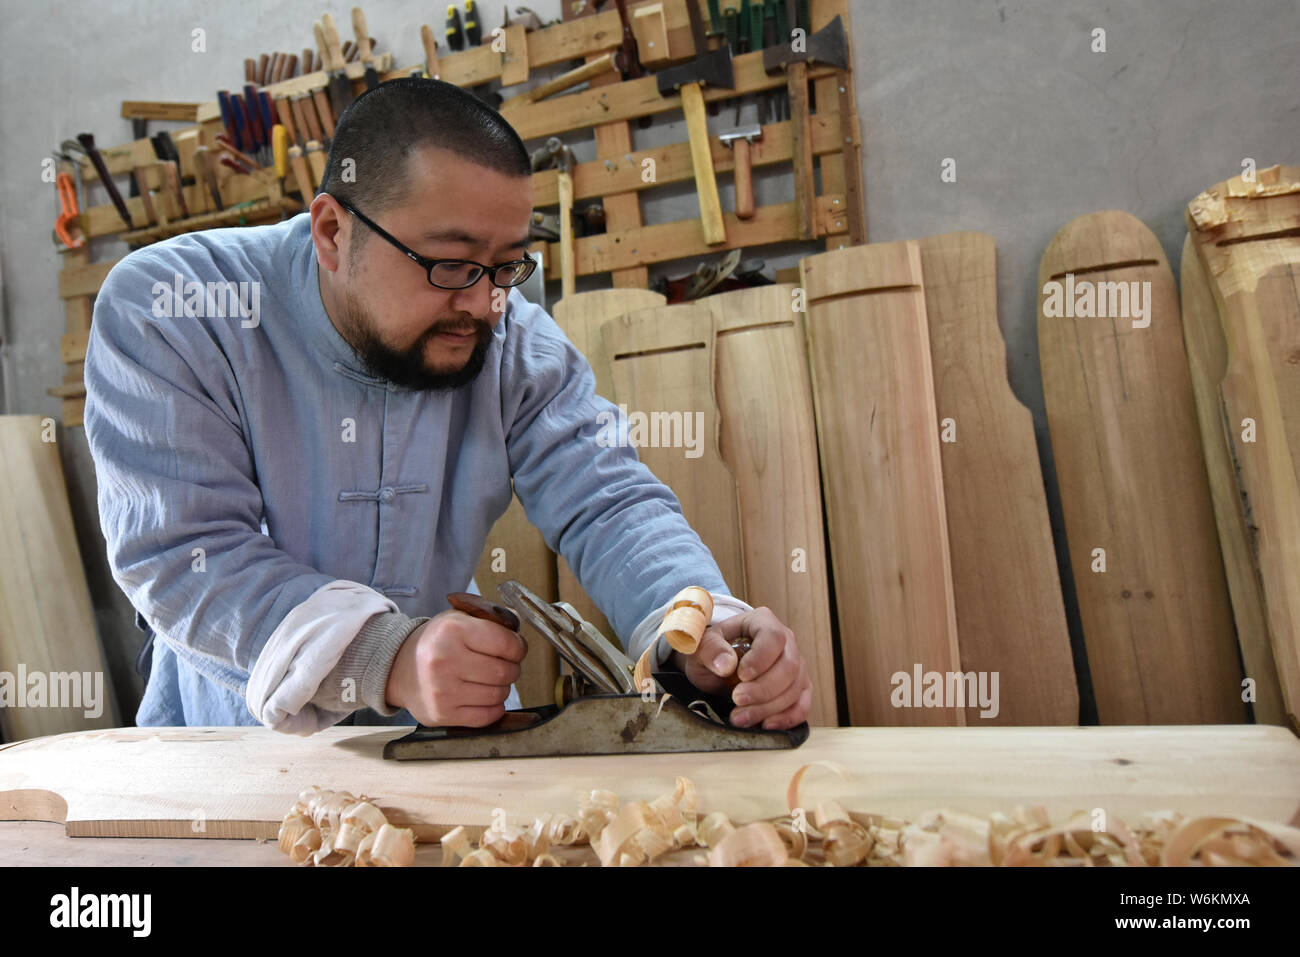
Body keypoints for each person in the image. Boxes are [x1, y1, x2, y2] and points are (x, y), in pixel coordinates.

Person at [84, 77, 812, 735]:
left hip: (437, 743)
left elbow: (610, 501)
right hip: (230, 753)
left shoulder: (510, 334)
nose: (483, 302)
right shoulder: (175, 310)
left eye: (506, 265)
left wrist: (695, 626)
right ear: (333, 231)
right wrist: (387, 655)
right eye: (451, 264)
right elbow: (181, 551)